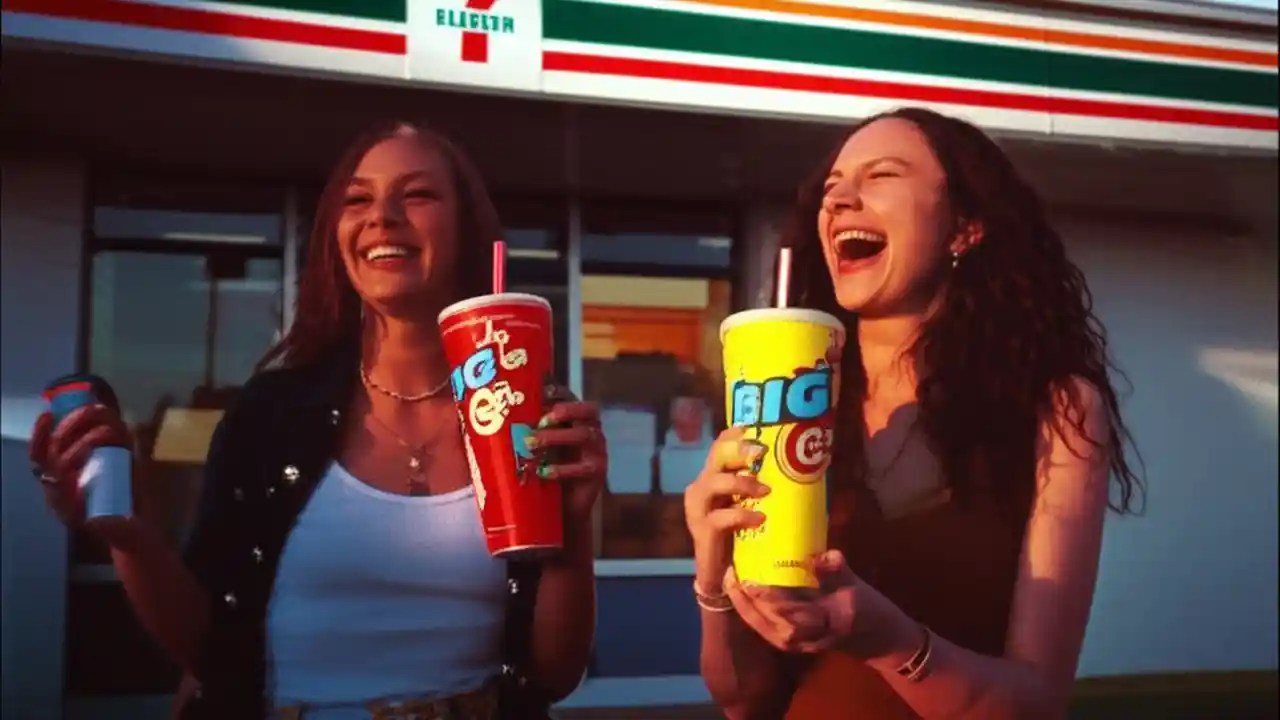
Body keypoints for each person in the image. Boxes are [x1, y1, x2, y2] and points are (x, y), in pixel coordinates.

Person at [29, 121, 605, 720]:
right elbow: (208, 647)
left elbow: (554, 674)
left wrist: (572, 533)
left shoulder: (527, 416)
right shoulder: (271, 415)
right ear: (337, 235)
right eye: (358, 199)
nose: (382, 216)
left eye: (418, 195)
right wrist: (126, 536)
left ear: (466, 228)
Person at [684, 107, 1143, 719]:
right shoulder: (783, 403)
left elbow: (1037, 704)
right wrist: (712, 578)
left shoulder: (1055, 411)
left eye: (881, 176)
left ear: (965, 227)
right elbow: (743, 700)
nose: (840, 199)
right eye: (831, 187)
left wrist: (890, 641)